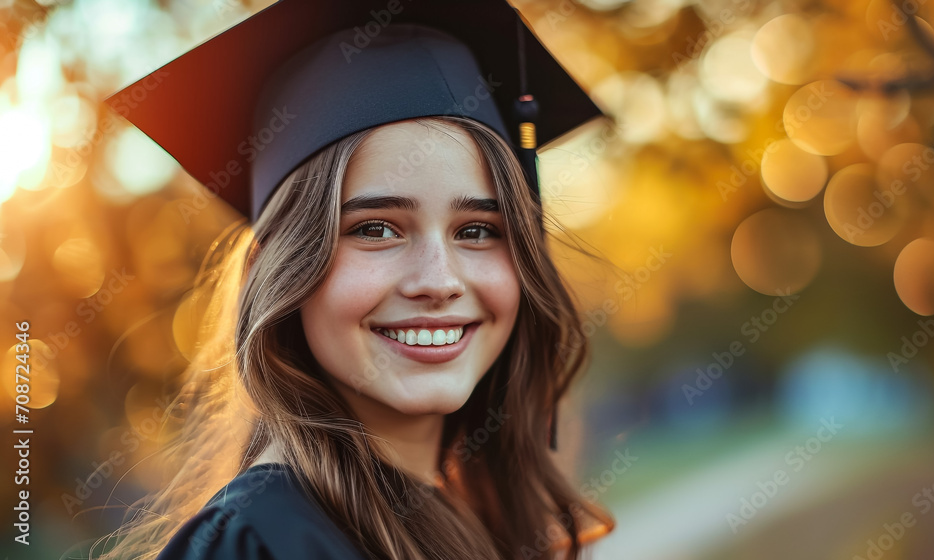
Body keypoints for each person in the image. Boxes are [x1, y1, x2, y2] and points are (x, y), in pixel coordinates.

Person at [63, 0, 615, 558]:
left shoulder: (475, 515)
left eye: (477, 230)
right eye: (376, 229)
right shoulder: (259, 544)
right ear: (274, 270)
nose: (439, 280)